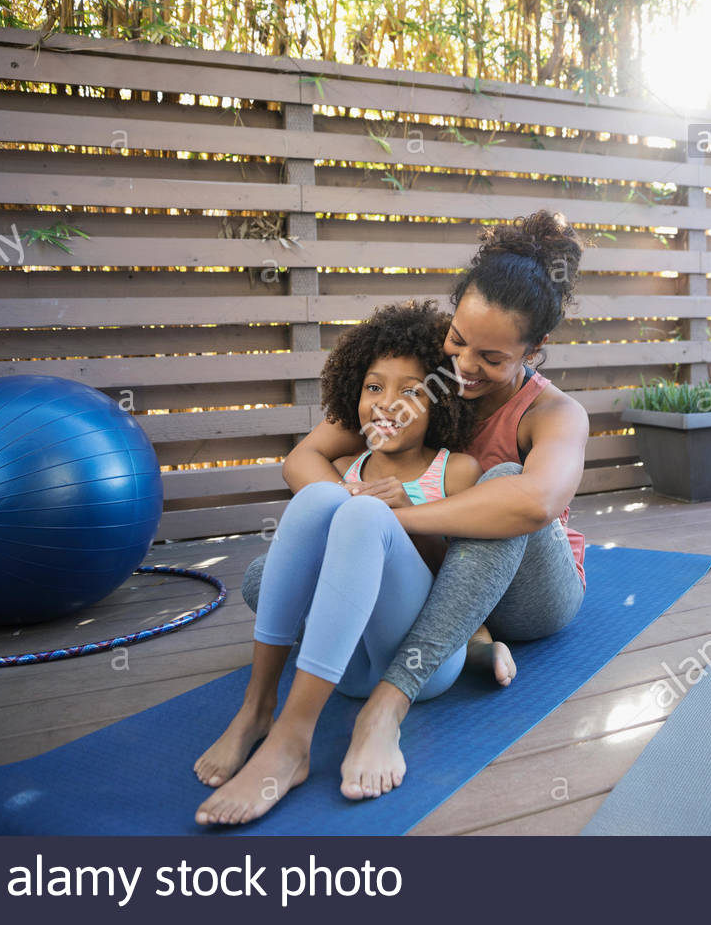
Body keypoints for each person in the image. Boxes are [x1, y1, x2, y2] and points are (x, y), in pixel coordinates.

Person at [242, 208, 591, 801]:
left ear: (535, 349)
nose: (463, 365)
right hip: (433, 579)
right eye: (458, 339)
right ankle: (466, 647)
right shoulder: (422, 375)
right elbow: (305, 458)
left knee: (502, 486)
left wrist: (389, 519)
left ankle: (386, 706)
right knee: (262, 578)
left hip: (529, 596)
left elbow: (532, 503)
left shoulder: (554, 414)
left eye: (492, 358)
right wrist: (348, 503)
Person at [192, 300, 491, 825]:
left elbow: (463, 578)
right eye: (374, 387)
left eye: (410, 391)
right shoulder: (341, 466)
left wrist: (400, 517)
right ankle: (257, 706)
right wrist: (352, 502)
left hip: (419, 665)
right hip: (344, 671)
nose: (387, 404)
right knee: (317, 500)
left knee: (362, 516)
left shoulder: (458, 472)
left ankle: (292, 741)